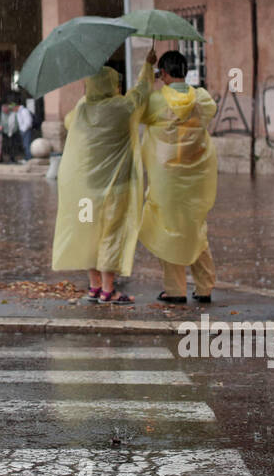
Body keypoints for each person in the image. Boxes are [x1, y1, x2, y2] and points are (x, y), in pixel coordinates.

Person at [52, 59, 154, 304]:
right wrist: (148, 67)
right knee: (111, 234)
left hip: (85, 188)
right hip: (114, 187)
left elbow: (68, 121)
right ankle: (109, 290)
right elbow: (141, 92)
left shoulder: (82, 110)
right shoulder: (122, 108)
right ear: (113, 85)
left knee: (88, 232)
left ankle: (94, 286)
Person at [139, 50, 219, 304]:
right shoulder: (202, 99)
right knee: (194, 229)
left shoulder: (156, 101)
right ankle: (205, 287)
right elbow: (210, 111)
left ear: (162, 74)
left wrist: (145, 70)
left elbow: (137, 108)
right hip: (195, 178)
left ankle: (176, 290)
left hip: (167, 180)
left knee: (169, 230)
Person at [16, 95, 35, 161]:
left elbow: (28, 122)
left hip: (26, 130)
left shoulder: (24, 111)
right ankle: (27, 158)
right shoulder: (18, 112)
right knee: (25, 145)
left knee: (27, 145)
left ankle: (29, 158)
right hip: (23, 130)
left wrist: (23, 130)